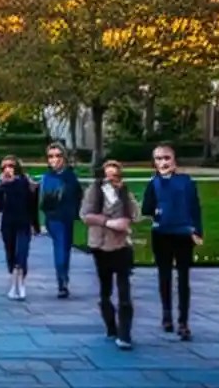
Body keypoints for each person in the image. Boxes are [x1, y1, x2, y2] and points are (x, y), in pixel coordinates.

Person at [142, 143, 203, 341]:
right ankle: (167, 315)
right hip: (162, 234)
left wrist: (198, 231)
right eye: (158, 159)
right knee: (164, 275)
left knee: (184, 278)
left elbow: (195, 208)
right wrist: (156, 211)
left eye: (166, 158)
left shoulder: (186, 182)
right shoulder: (153, 183)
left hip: (183, 233)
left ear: (174, 160)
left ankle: (183, 321)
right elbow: (146, 208)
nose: (163, 162)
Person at [81, 160, 140, 350]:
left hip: (122, 246)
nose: (111, 180)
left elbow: (136, 215)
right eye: (108, 176)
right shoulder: (94, 191)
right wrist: (108, 222)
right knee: (105, 291)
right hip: (101, 246)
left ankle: (125, 334)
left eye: (115, 176)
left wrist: (126, 198)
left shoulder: (125, 193)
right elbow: (85, 215)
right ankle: (111, 327)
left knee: (124, 292)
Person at [39, 142, 83, 298]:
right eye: (51, 156)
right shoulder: (47, 177)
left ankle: (63, 278)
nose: (54, 160)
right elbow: (43, 200)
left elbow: (78, 196)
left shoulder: (70, 176)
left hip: (68, 217)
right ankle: (62, 281)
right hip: (54, 218)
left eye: (58, 156)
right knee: (60, 247)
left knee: (65, 248)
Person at [0, 155, 39, 301]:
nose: (8, 169)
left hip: (23, 223)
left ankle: (20, 283)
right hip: (8, 224)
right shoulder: (2, 186)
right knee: (11, 254)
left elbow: (33, 206)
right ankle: (14, 284)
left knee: (22, 254)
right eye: (5, 167)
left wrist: (35, 225)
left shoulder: (26, 183)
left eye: (11, 166)